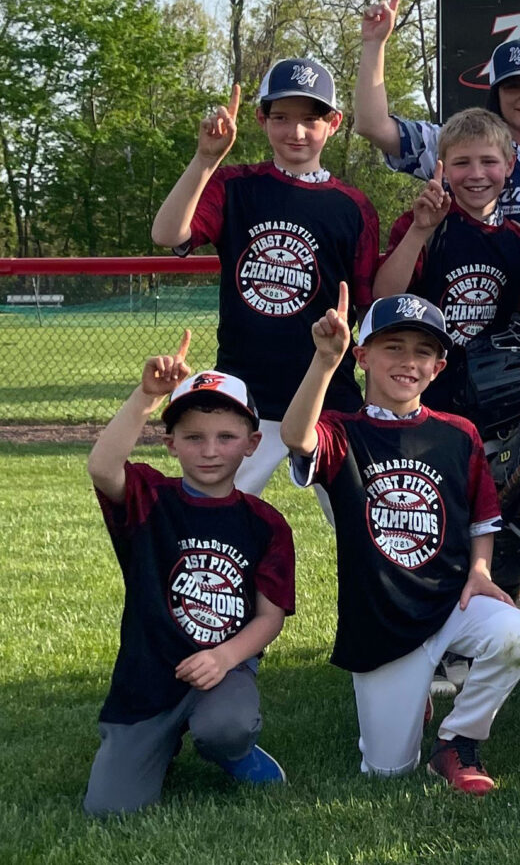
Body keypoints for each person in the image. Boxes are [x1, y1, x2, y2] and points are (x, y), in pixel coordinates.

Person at [281, 290, 520, 795]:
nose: (408, 362)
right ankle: (411, 697)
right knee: (387, 774)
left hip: (448, 602)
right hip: (381, 619)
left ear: (439, 367)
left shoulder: (458, 433)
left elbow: (482, 519)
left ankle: (457, 743)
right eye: (392, 347)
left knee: (514, 636)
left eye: (422, 352)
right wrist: (324, 362)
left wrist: (481, 574)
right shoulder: (342, 431)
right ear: (363, 357)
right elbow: (295, 435)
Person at [374, 105, 520, 631]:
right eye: (461, 163)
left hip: (497, 397)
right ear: (441, 166)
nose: (476, 174)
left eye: (488, 161)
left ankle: (509, 589)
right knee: (430, 502)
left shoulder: (519, 241)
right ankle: (431, 608)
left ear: (509, 165)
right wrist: (418, 231)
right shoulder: (422, 225)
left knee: (504, 492)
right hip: (423, 391)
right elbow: (382, 298)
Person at [151, 59, 377, 509]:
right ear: (261, 120)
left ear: (333, 123)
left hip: (325, 394)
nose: (296, 131)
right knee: (214, 518)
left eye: (310, 118)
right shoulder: (235, 186)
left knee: (362, 522)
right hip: (244, 391)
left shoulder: (352, 206)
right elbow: (167, 234)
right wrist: (205, 159)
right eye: (281, 117)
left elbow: (368, 305)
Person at [84, 343, 294, 816]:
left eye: (225, 436)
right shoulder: (149, 499)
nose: (210, 450)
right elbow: (101, 467)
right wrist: (145, 397)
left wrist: (225, 656)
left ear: (252, 444)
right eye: (194, 437)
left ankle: (233, 751)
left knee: (227, 724)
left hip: (224, 667)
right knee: (109, 810)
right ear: (171, 443)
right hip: (149, 670)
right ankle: (153, 744)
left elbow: (270, 617)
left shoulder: (265, 524)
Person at [354, 0, 520, 264]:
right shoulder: (457, 143)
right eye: (513, 86)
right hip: (465, 298)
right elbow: (372, 125)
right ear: (496, 94)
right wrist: (374, 44)